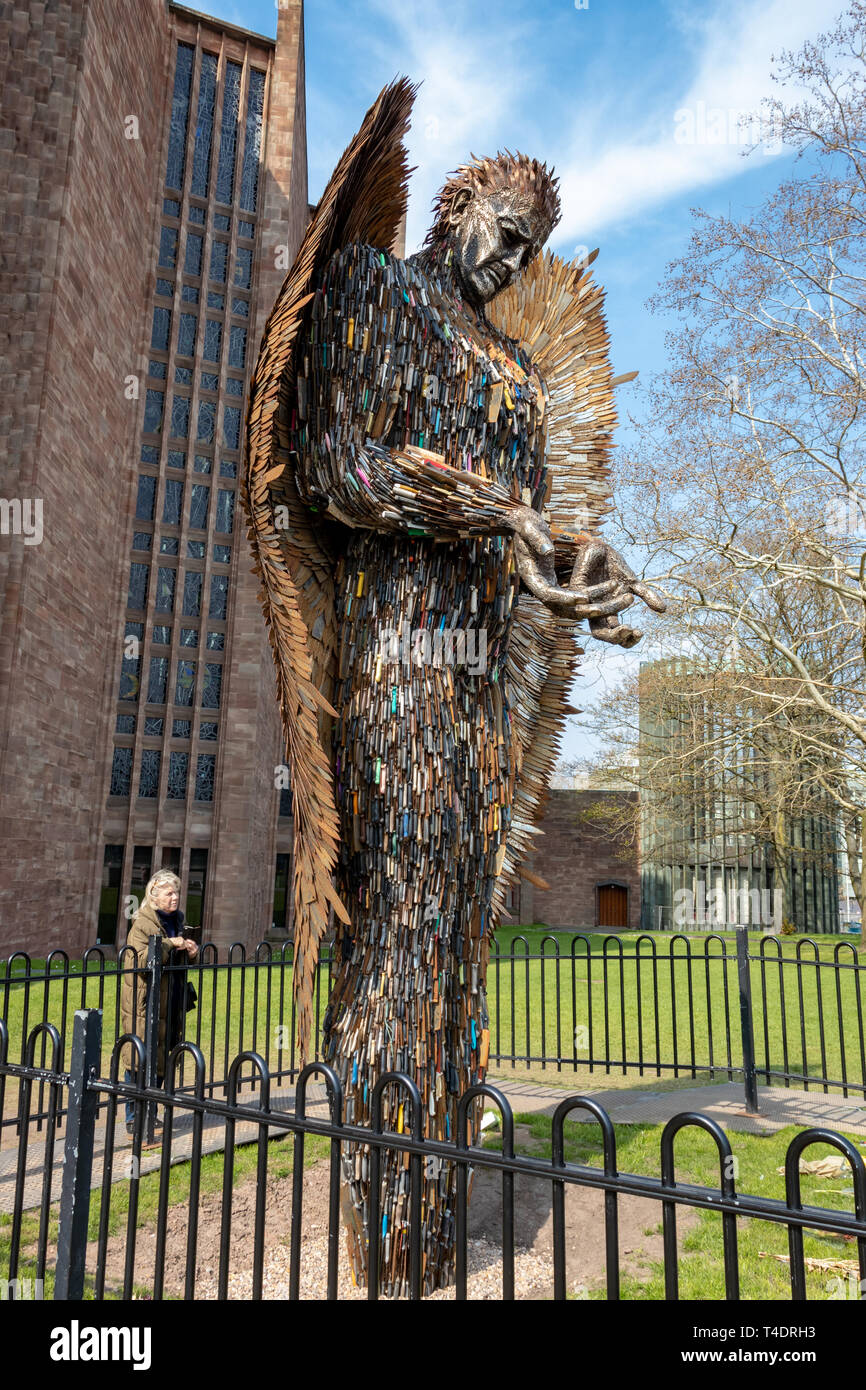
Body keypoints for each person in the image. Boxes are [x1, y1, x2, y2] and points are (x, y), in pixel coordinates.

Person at [119, 869, 198, 1139]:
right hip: (145, 1003)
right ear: (154, 896)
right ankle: (133, 1119)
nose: (175, 897)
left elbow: (178, 959)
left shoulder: (178, 920)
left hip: (171, 1000)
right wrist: (168, 944)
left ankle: (150, 1114)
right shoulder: (142, 923)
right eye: (169, 892)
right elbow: (141, 963)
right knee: (138, 1060)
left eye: (176, 892)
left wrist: (190, 952)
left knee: (163, 1057)